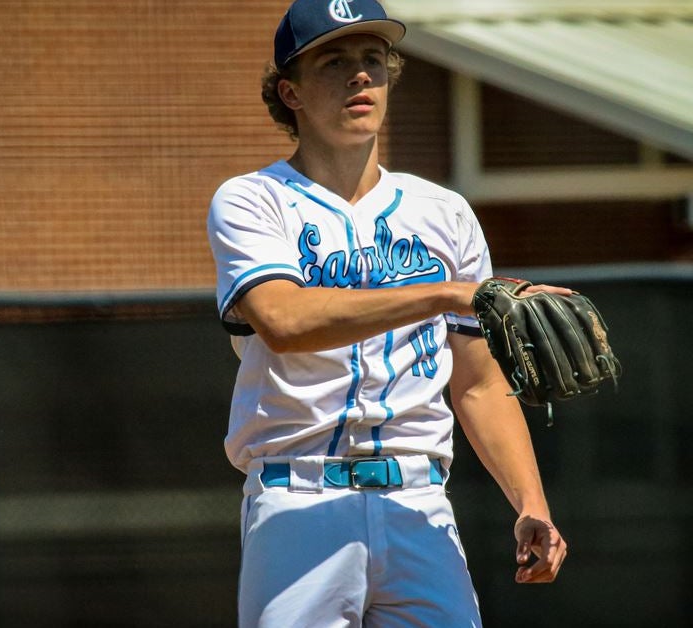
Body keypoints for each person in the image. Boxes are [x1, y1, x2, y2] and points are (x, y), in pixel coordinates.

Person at [206, 1, 568, 625]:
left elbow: (479, 383)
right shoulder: (252, 200)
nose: (360, 76)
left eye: (374, 59)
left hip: (419, 502)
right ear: (289, 91)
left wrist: (530, 501)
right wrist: (447, 293)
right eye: (335, 60)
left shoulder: (445, 212)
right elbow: (285, 322)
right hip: (300, 501)